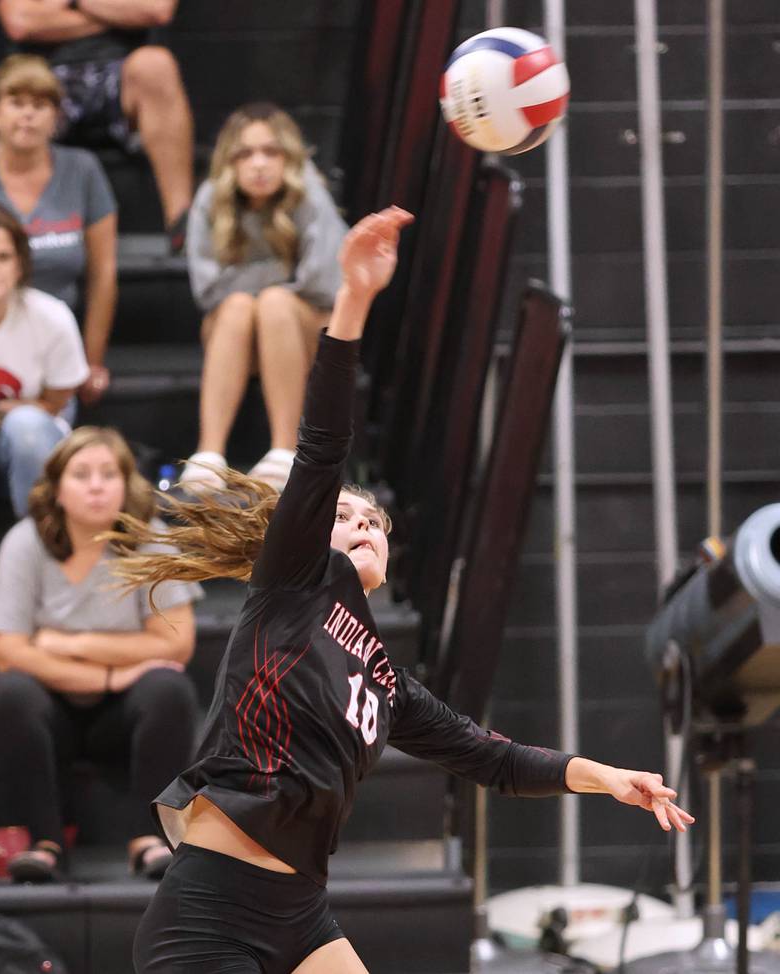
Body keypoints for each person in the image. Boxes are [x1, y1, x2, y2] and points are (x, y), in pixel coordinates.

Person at [111, 207, 693, 974]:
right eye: (341, 513)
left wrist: (606, 778)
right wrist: (354, 299)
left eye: (373, 518)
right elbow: (323, 443)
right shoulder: (292, 582)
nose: (359, 521)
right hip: (210, 910)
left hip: (300, 912)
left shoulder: (385, 680)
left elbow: (495, 757)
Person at [0, 425, 202, 882]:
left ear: (126, 485)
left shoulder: (151, 537)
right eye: (82, 474)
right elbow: (6, 651)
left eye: (108, 474)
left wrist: (69, 644)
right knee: (7, 693)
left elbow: (175, 643)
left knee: (169, 688)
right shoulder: (26, 541)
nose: (97, 485)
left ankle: (149, 840)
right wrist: (108, 675)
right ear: (57, 489)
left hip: (122, 715)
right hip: (49, 710)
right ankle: (45, 844)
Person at [181, 102, 348, 493]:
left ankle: (284, 449)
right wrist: (280, 274)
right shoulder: (210, 198)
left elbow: (325, 282)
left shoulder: (309, 192)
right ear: (230, 162)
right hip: (236, 328)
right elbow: (207, 290)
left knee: (273, 303)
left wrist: (264, 286)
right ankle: (209, 454)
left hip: (301, 326)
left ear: (289, 158)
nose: (259, 164)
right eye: (245, 153)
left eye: (271, 152)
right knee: (240, 306)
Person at [0, 0, 194, 254]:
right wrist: (113, 16)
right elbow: (21, 22)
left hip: (121, 72)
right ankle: (16, 232)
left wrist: (70, 6)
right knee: (21, 89)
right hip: (45, 73)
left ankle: (183, 226)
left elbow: (155, 10)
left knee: (156, 64)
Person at [0, 54, 117, 404]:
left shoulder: (83, 170)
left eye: (40, 104)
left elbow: (103, 272)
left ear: (56, 117)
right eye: (17, 102)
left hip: (54, 346)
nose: (28, 114)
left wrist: (90, 359)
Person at [0, 201, 89, 517]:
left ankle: (42, 541)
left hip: (35, 437)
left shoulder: (52, 317)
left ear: (20, 265)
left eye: (2, 257)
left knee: (26, 426)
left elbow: (56, 402)